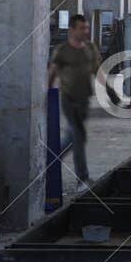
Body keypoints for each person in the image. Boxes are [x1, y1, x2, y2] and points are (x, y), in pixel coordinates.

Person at [48, 16, 102, 189]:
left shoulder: (91, 48)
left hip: (84, 99)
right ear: (71, 30)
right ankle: (82, 179)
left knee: (74, 137)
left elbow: (97, 71)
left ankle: (49, 160)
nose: (86, 31)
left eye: (87, 28)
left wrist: (111, 90)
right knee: (78, 137)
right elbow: (52, 73)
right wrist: (48, 95)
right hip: (68, 100)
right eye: (82, 28)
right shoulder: (62, 51)